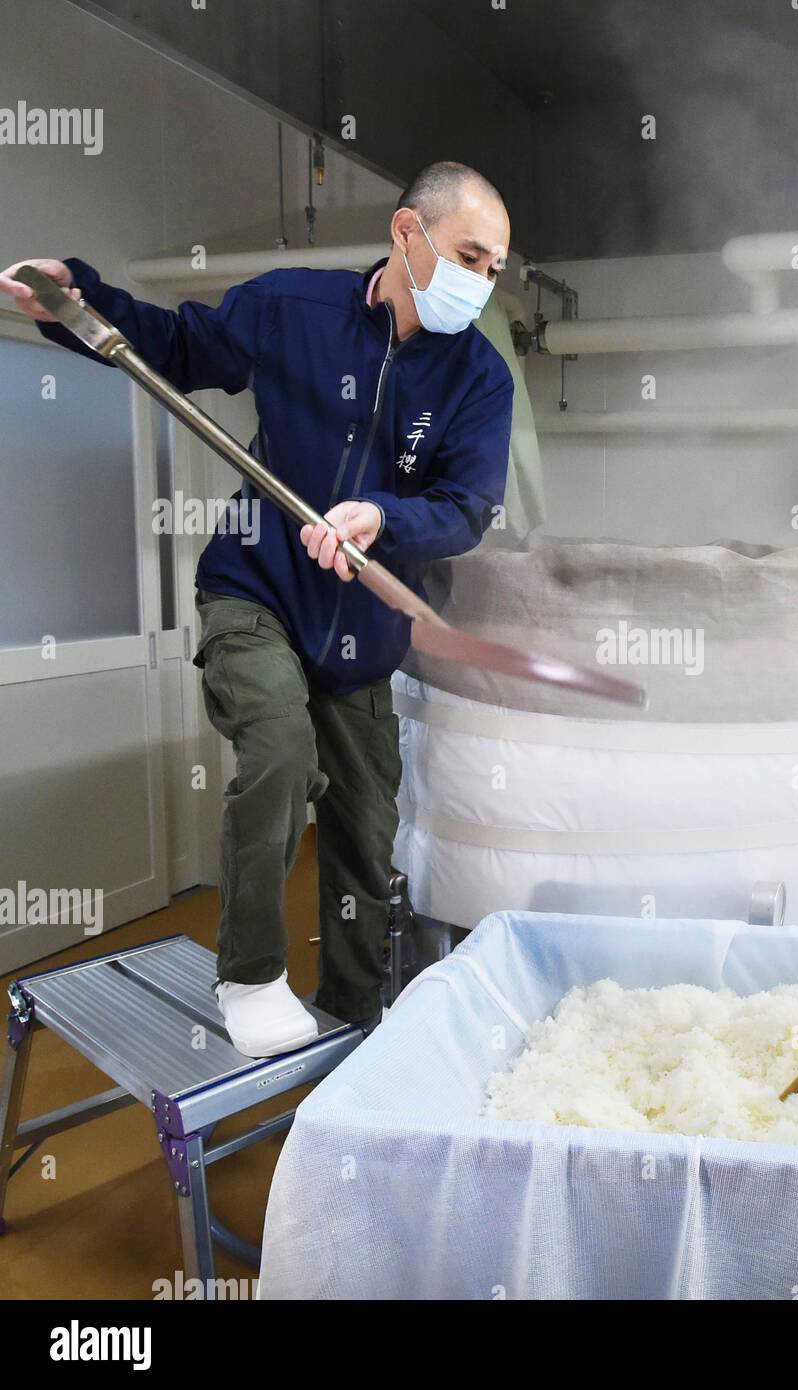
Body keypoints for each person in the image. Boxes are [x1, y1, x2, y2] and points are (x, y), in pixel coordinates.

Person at [1, 161, 515, 1057]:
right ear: (407, 232)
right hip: (258, 590)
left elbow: (466, 508)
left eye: (496, 269)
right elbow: (177, 341)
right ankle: (250, 974)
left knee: (364, 828)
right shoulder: (293, 309)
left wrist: (384, 517)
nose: (481, 281)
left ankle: (358, 1021)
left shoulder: (479, 379)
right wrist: (81, 302)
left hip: (360, 635)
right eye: (470, 255)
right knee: (278, 750)